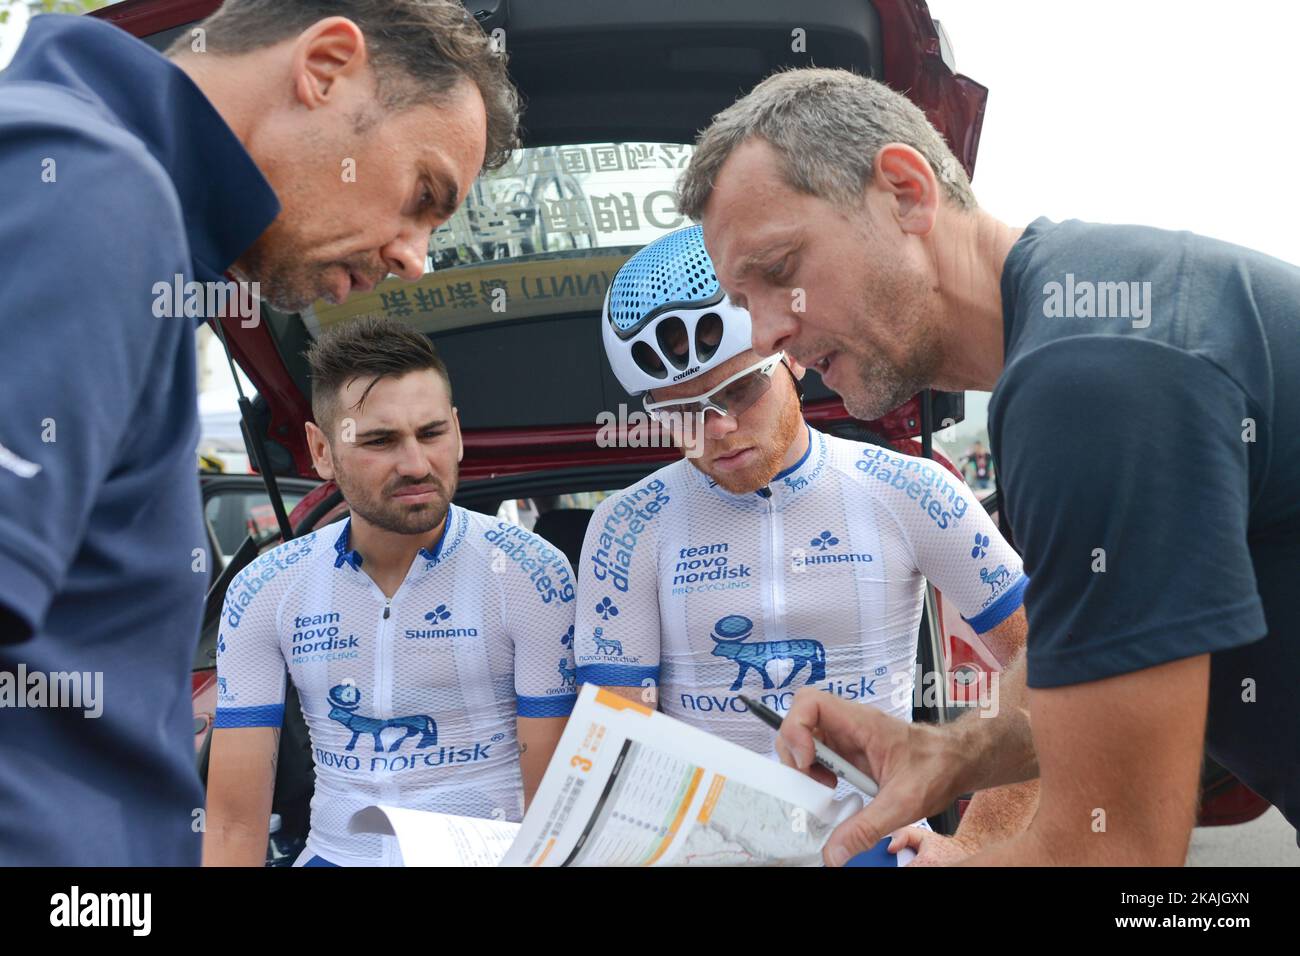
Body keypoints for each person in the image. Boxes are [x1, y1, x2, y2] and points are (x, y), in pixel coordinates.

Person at [676, 67, 1300, 864]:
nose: (765, 333)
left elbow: (1120, 854)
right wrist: (947, 755)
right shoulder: (1090, 314)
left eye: (780, 270)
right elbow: (1099, 649)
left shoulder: (1087, 378)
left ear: (905, 192)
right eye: (744, 299)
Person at [0, 0, 517, 865]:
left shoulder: (104, 193)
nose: (415, 258)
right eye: (423, 195)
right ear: (325, 66)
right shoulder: (90, 191)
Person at [574, 225, 1037, 865]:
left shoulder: (909, 489)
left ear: (789, 355)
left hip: (876, 849)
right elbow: (619, 741)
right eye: (680, 414)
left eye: (740, 390)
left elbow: (1059, 661)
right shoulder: (628, 525)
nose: (719, 429)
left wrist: (976, 841)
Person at [205, 318, 578, 867]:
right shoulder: (265, 587)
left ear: (456, 429)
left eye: (431, 433)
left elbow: (555, 810)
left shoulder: (528, 572)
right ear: (321, 449)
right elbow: (235, 824)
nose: (415, 464)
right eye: (380, 441)